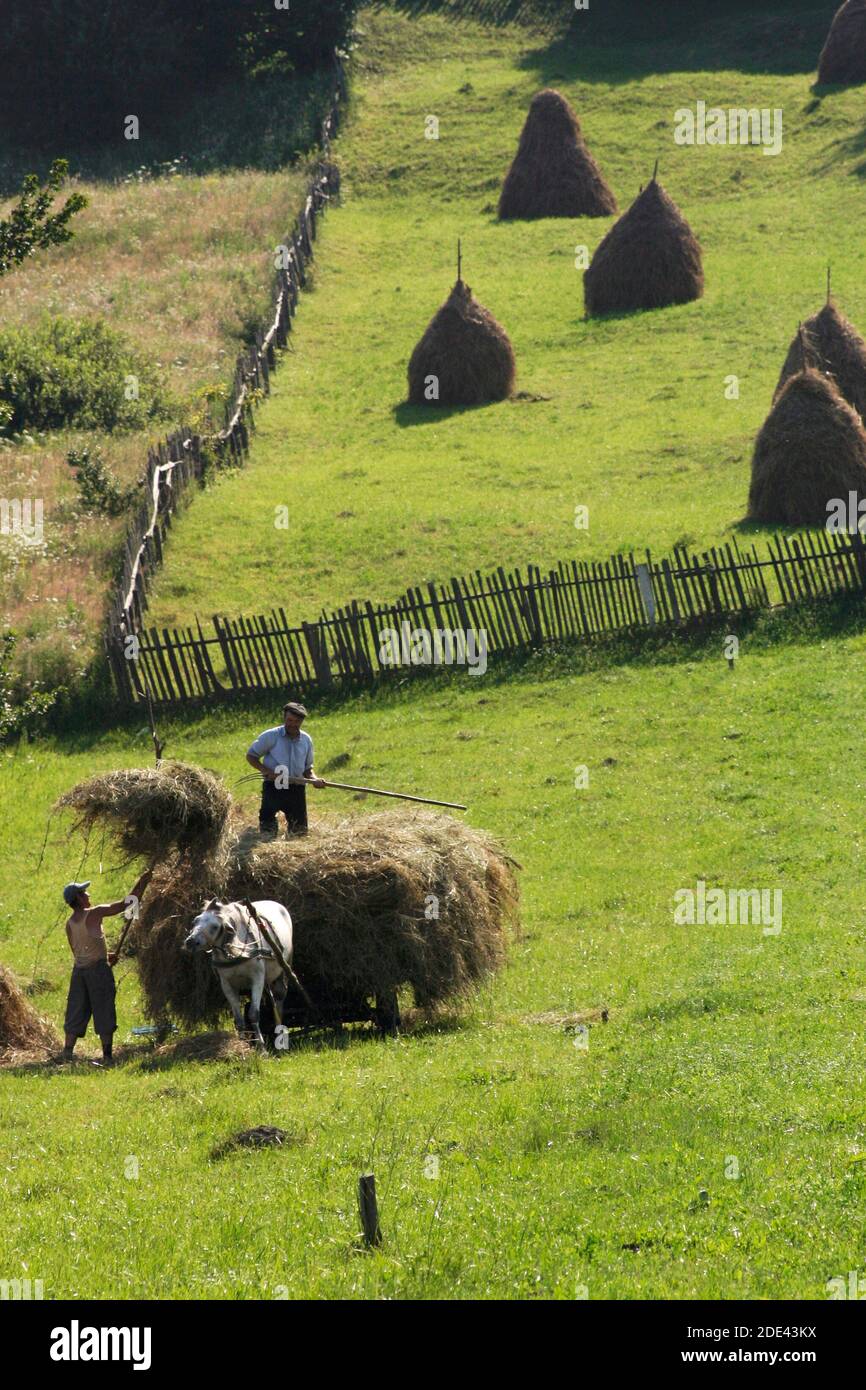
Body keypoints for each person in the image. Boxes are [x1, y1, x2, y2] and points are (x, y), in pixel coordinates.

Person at [58, 868, 153, 1067]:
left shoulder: (69, 924)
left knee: (76, 1008)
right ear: (79, 898)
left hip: (79, 972)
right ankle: (108, 1057)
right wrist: (142, 881)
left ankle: (67, 1053)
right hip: (97, 972)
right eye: (85, 893)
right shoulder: (95, 912)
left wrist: (105, 956)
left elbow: (79, 952)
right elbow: (126, 904)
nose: (88, 894)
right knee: (104, 1008)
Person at [246, 701, 325, 837]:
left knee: (299, 833)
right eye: (289, 720)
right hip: (274, 786)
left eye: (297, 721)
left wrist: (314, 779)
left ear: (302, 721)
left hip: (296, 789)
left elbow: (308, 769)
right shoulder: (271, 736)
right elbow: (251, 756)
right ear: (284, 718)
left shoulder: (306, 740)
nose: (292, 724)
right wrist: (266, 771)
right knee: (268, 830)